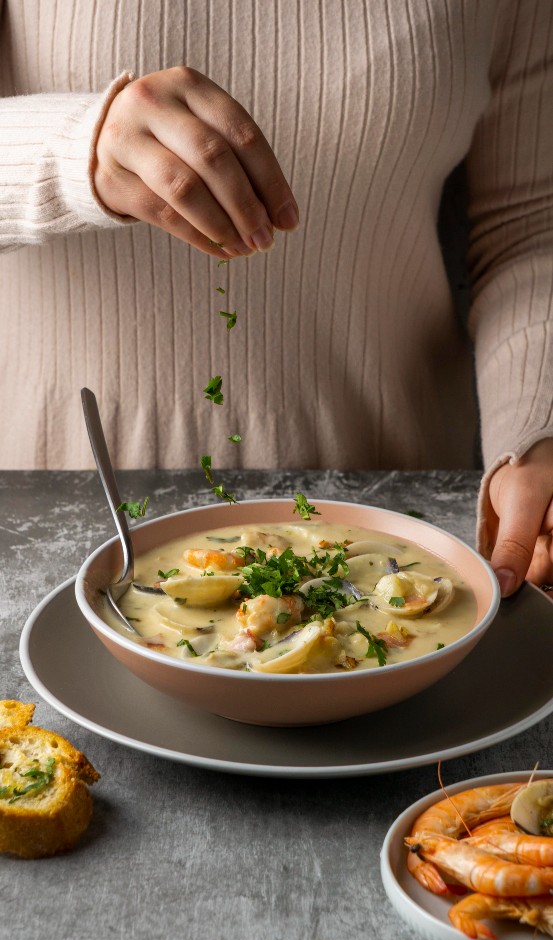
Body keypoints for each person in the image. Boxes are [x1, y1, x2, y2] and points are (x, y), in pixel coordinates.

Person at [1, 0, 552, 597]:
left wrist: (536, 427)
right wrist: (72, 151)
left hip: (400, 509)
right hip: (63, 512)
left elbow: (530, 228)